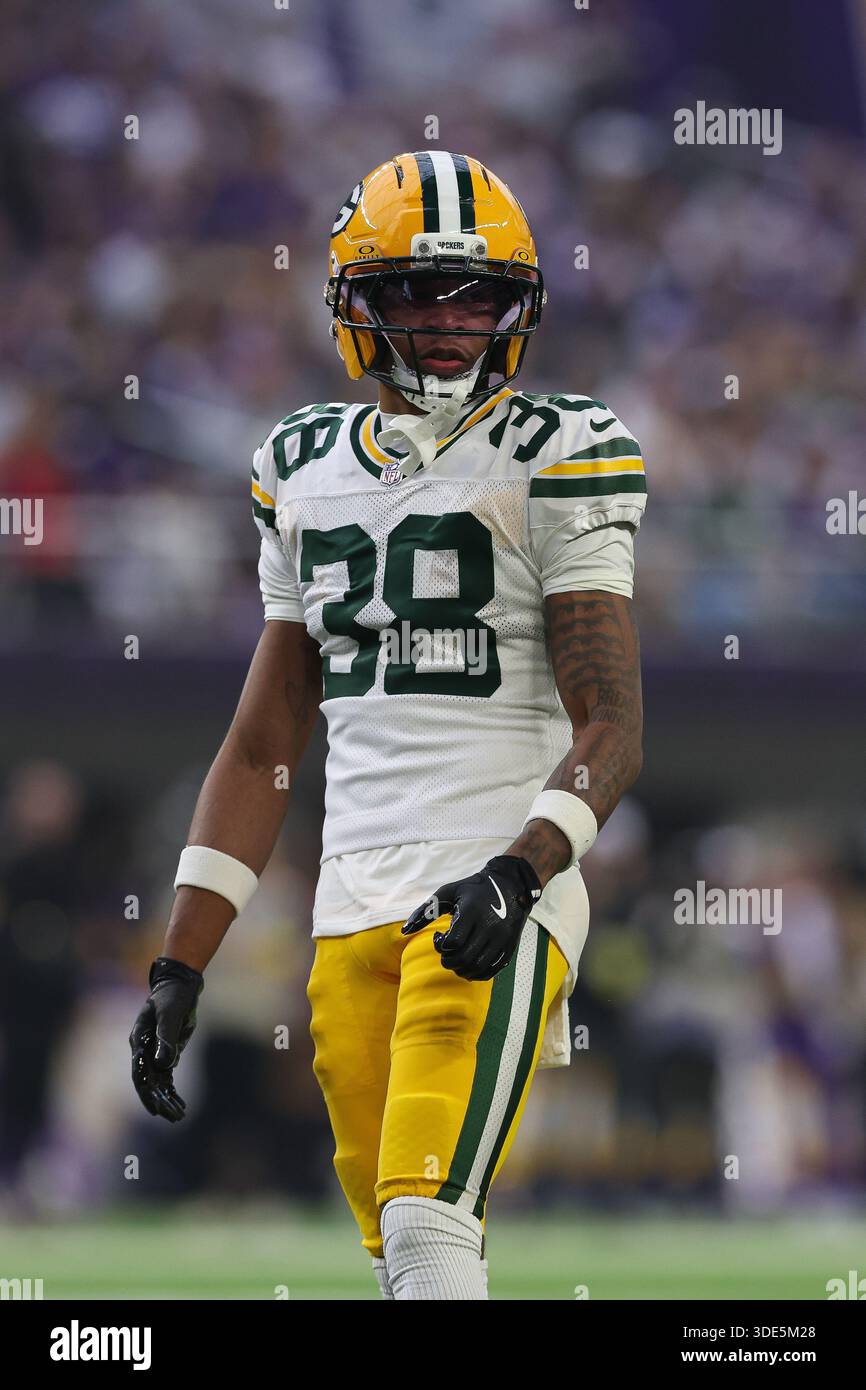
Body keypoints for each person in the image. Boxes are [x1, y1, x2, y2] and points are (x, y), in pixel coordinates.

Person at [130, 151, 647, 1300]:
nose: (455, 322)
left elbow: (609, 723)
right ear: (354, 301)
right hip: (349, 900)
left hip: (494, 887)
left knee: (425, 1220)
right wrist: (182, 956)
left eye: (479, 294)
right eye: (420, 291)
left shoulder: (560, 449)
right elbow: (266, 742)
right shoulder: (299, 468)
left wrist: (519, 874)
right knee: (401, 1254)